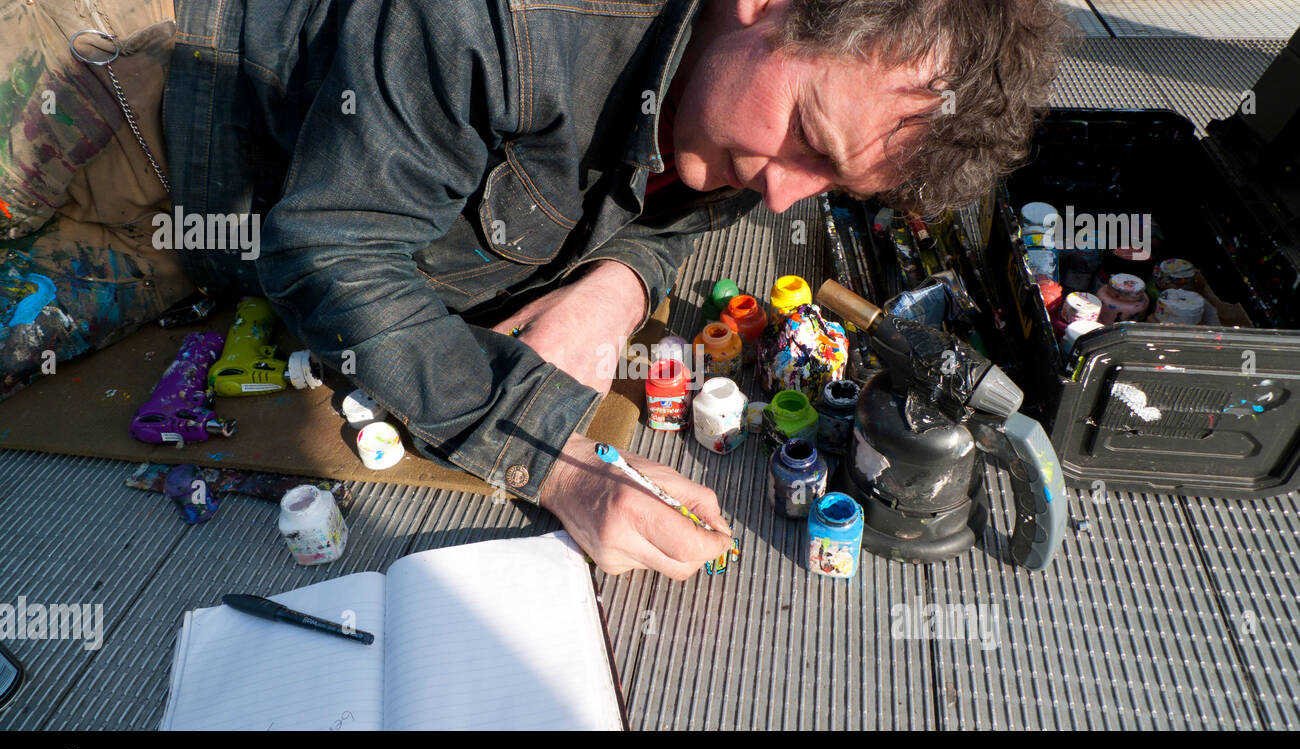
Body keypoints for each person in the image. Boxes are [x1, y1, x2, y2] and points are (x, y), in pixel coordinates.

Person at [0, 0, 1068, 578]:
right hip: (119, 107)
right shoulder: (502, 18)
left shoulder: (756, 100)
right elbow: (333, 244)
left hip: (205, 251)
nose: (786, 195)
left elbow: (672, 208)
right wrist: (555, 462)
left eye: (830, 179)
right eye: (803, 141)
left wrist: (614, 280)